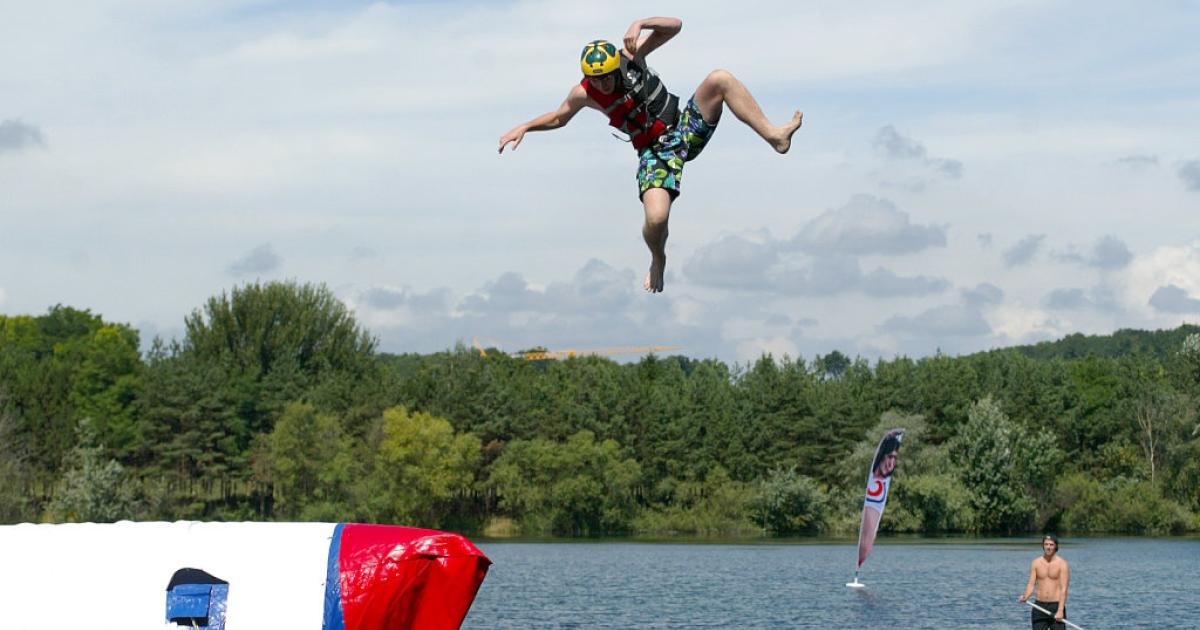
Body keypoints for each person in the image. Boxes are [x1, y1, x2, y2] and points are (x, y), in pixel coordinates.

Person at [498, 16, 803, 293]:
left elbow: (675, 26)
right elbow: (557, 117)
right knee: (656, 218)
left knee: (719, 78)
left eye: (606, 75)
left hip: (684, 129)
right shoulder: (585, 94)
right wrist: (525, 126)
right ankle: (658, 257)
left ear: (615, 64)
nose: (603, 83)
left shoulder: (632, 57)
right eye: (595, 79)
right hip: (654, 154)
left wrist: (640, 23)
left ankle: (774, 135)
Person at [856, 429, 903, 567]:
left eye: (895, 459)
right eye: (889, 457)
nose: (891, 464)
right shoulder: (874, 476)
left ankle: (860, 565)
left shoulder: (884, 481)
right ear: (882, 455)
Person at [1019, 534, 1071, 630]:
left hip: (1056, 606)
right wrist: (1025, 596)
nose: (1048, 547)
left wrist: (1060, 610)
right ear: (1043, 545)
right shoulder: (1036, 563)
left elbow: (1064, 589)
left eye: (1051, 545)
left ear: (1056, 546)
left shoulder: (1062, 564)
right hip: (1039, 606)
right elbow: (1031, 584)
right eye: (1046, 544)